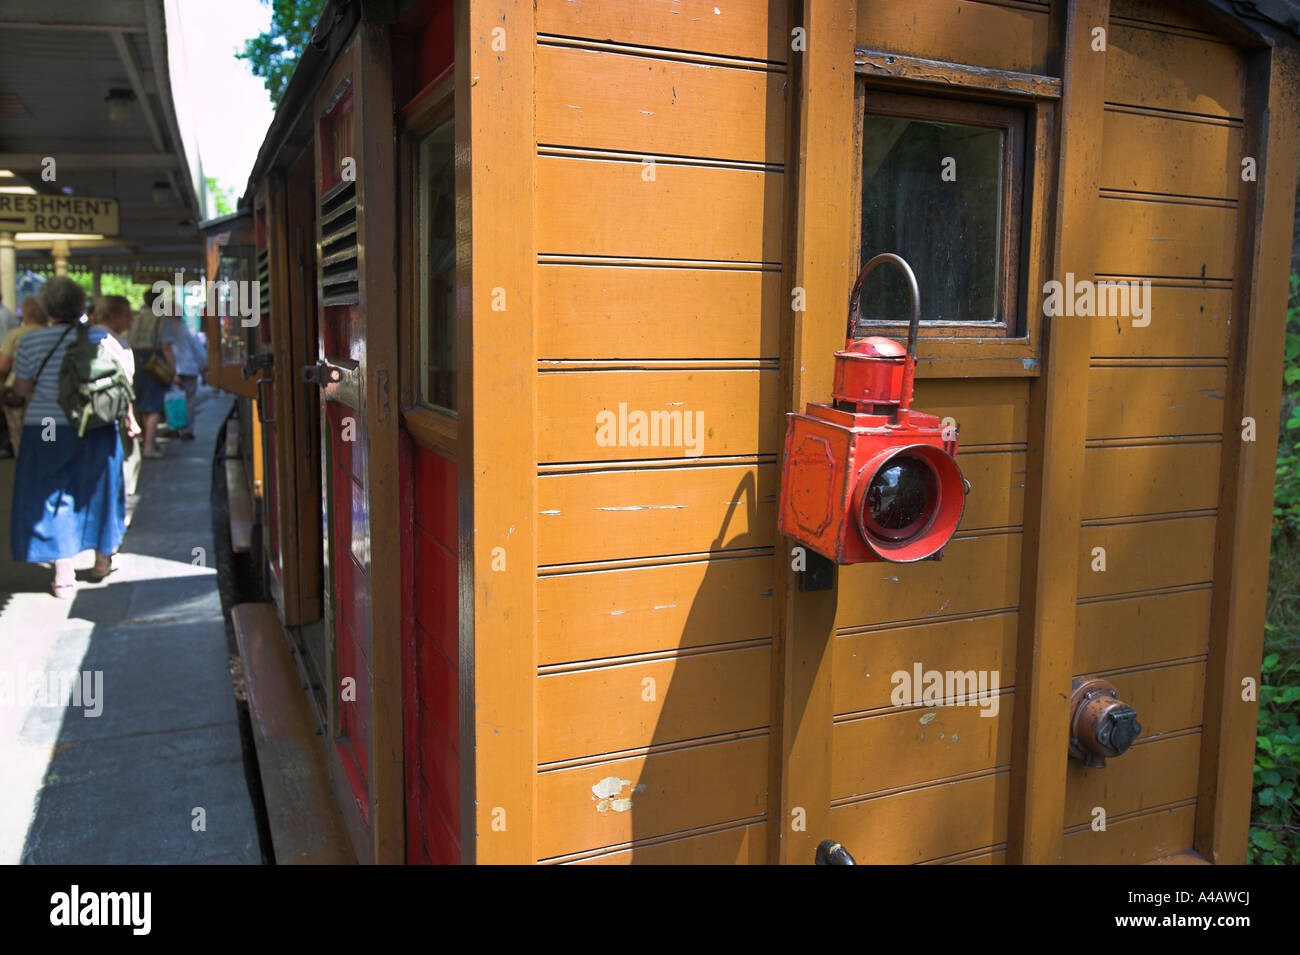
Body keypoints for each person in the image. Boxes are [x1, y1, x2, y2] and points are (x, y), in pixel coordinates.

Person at [9, 277, 138, 598]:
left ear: (46, 308)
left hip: (47, 427)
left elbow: (22, 389)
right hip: (95, 425)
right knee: (99, 487)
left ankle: (63, 572)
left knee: (51, 492)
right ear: (81, 305)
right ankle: (102, 559)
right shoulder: (102, 338)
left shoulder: (30, 341)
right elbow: (124, 382)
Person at [96, 295, 142, 495]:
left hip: (87, 413)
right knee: (128, 458)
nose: (132, 319)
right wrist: (131, 419)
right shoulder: (117, 344)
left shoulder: (83, 337)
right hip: (113, 411)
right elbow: (125, 384)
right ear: (113, 316)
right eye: (128, 315)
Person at [126, 288, 176, 459]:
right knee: (154, 405)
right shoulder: (161, 319)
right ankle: (149, 446)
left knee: (141, 402)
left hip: (135, 359)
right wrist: (173, 370)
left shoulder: (136, 318)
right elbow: (166, 346)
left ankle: (144, 441)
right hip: (154, 362)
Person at [0, 297, 48, 458]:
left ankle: (26, 463)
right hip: (48, 393)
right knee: (47, 435)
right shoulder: (53, 334)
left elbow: (3, 366)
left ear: (25, 315)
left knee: (19, 435)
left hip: (18, 392)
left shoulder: (15, 335)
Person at [164, 315, 207, 440]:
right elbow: (198, 349)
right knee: (189, 402)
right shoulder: (187, 329)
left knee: (172, 400)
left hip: (171, 369)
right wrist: (203, 365)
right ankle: (187, 430)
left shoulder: (166, 329)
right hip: (189, 368)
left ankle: (173, 427)